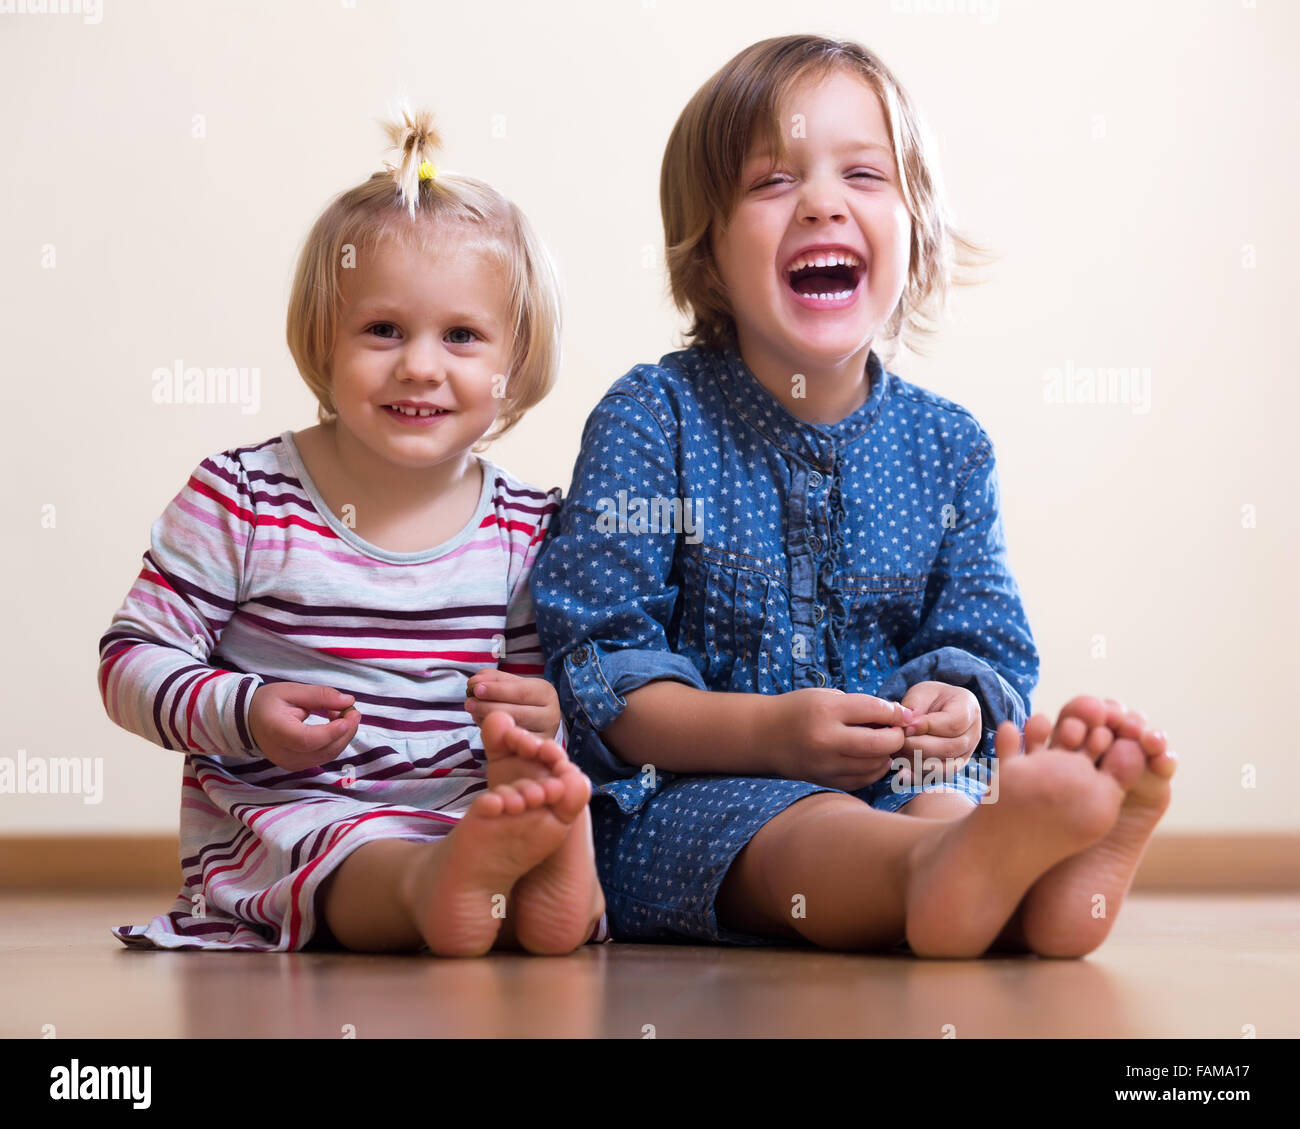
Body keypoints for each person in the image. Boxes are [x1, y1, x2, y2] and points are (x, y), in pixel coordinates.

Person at [531, 36, 1175, 958]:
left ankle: (1007, 879)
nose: (823, 202)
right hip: (697, 796)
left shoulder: (950, 446)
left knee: (944, 790)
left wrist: (954, 708)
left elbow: (980, 639)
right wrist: (774, 735)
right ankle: (954, 877)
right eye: (771, 183)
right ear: (707, 254)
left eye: (864, 175)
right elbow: (601, 672)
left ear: (916, 229)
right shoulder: (655, 418)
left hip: (902, 781)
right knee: (801, 831)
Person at [98, 106, 605, 956]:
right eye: (382, 330)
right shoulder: (244, 498)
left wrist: (538, 724)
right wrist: (247, 709)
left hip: (466, 810)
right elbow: (128, 663)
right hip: (294, 815)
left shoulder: (526, 525)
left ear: (512, 367)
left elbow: (532, 689)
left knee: (510, 817)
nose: (419, 364)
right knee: (354, 857)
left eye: (462, 335)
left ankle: (547, 879)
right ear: (321, 341)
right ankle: (440, 887)